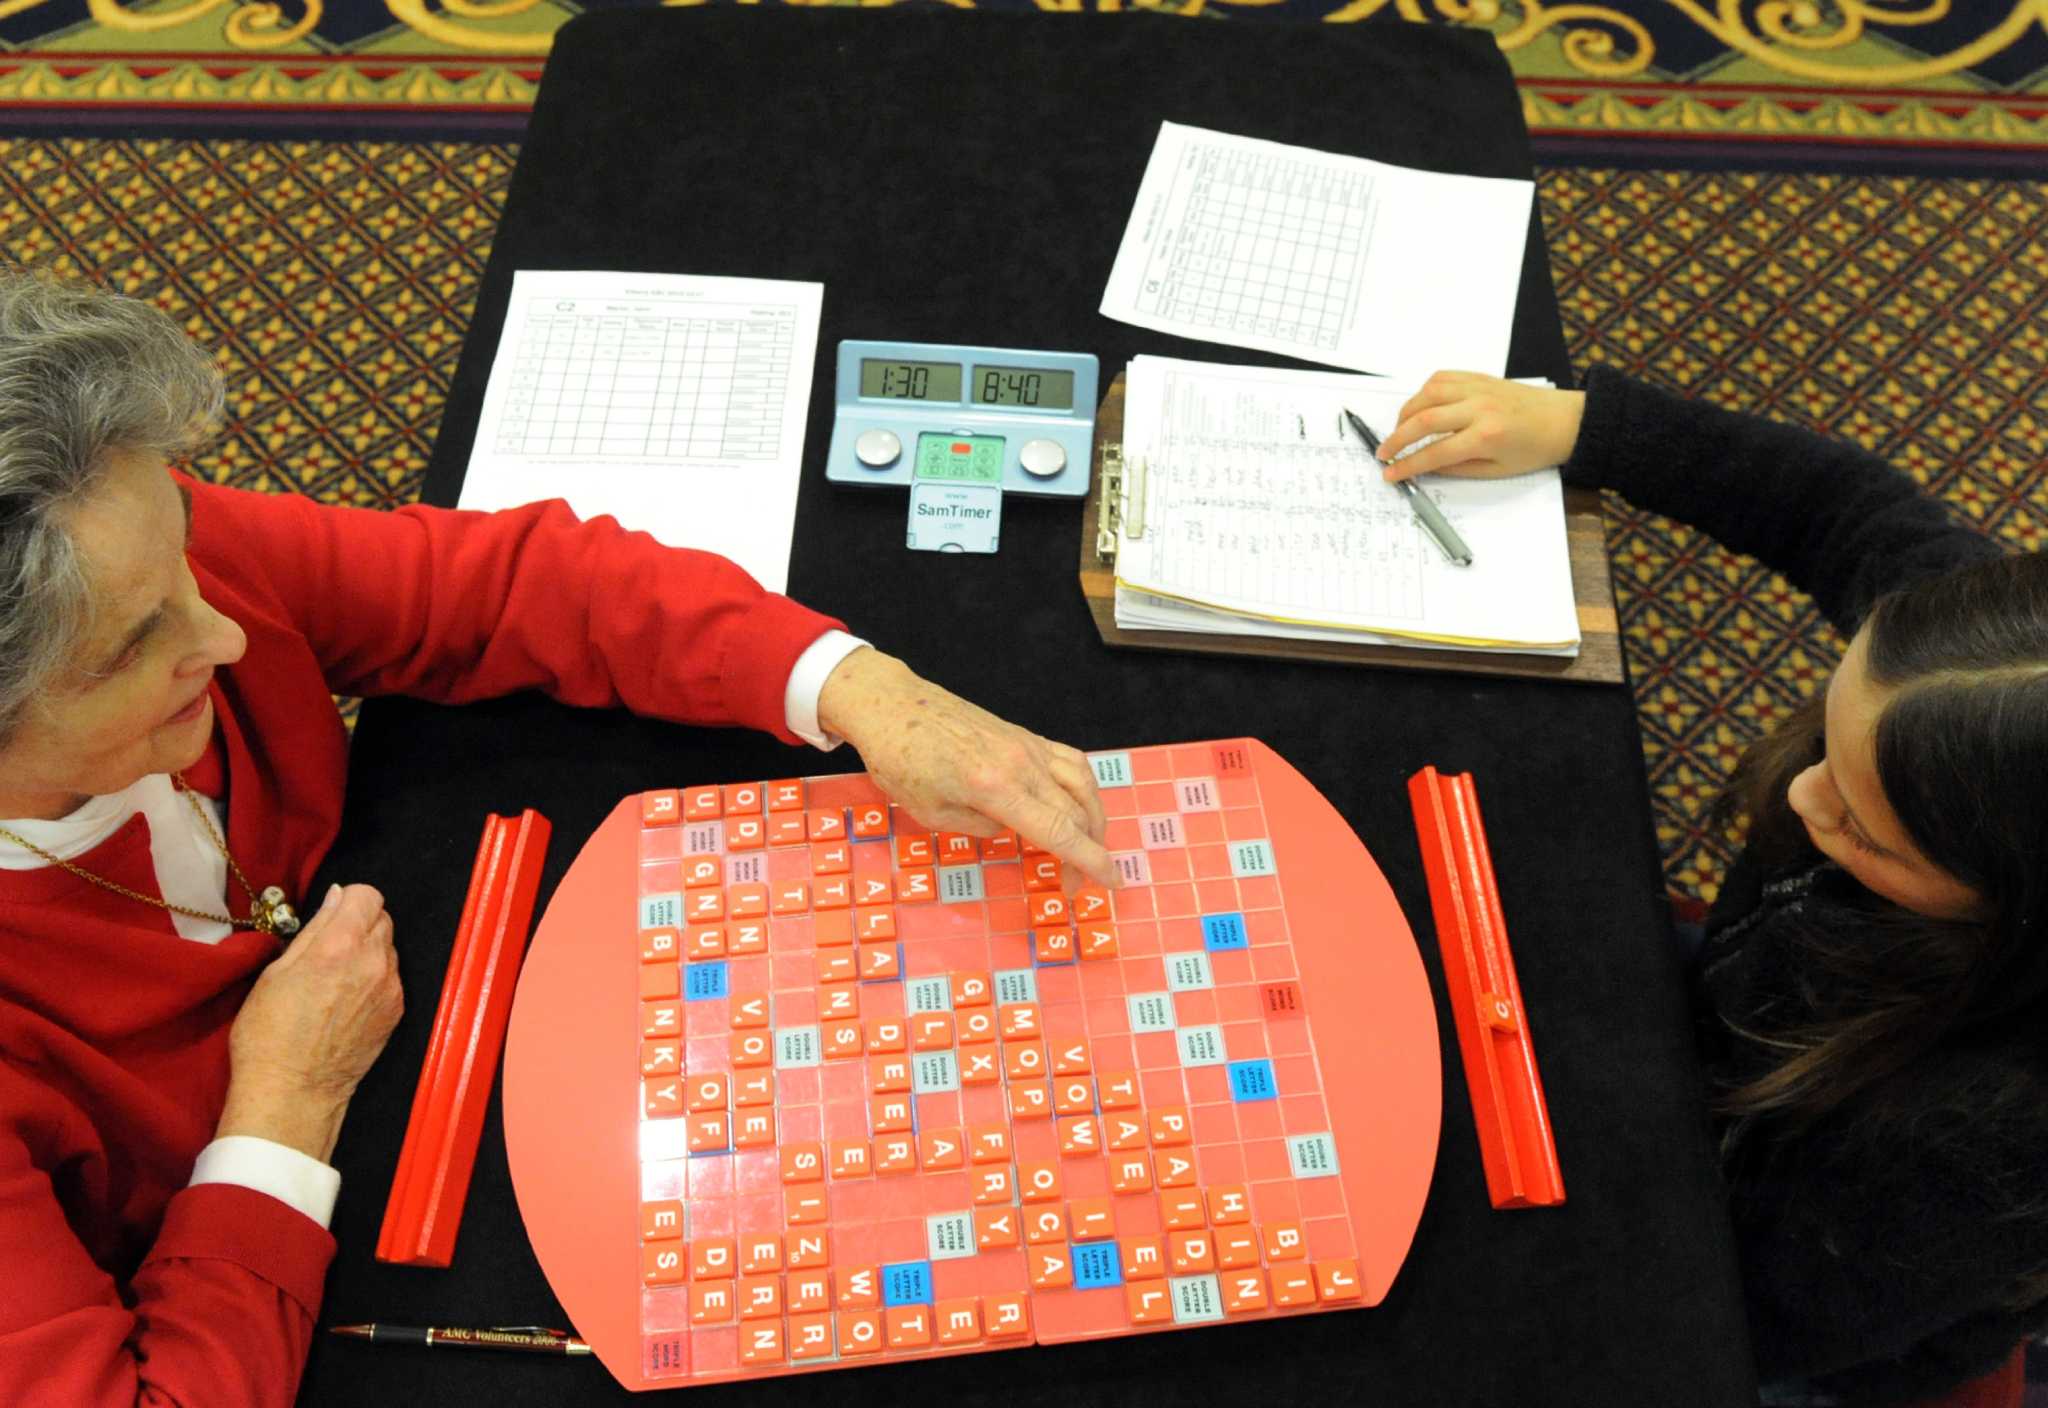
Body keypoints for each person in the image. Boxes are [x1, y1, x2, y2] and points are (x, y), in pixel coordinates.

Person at [0, 267, 1111, 1407]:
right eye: (135, 645)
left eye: (188, 547)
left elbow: (507, 586)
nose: (228, 630)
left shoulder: (124, 550)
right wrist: (286, 1101)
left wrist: (864, 693)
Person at [1380, 367, 2048, 1405]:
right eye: (1827, 736)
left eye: (1860, 826)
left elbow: (1706, 1308)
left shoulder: (1986, 1150)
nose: (1802, 794)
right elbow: (1834, 503)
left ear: (2008, 909)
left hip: (1770, 1292)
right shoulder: (1978, 681)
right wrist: (1585, 425)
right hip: (1742, 1022)